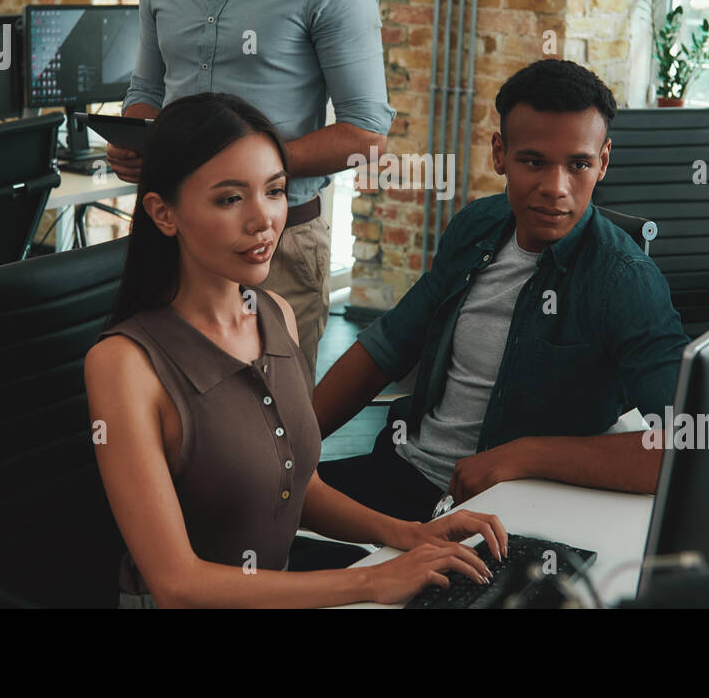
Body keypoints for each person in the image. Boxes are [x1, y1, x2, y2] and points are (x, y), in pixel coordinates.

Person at [85, 93, 505, 608]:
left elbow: (292, 484)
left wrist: (410, 534)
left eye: (275, 191)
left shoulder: (276, 313)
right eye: (229, 198)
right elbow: (178, 583)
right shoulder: (124, 365)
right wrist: (373, 580)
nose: (263, 220)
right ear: (163, 213)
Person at [107, 0, 395, 378]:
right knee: (170, 411)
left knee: (271, 440)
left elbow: (367, 133)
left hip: (278, 240)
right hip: (172, 236)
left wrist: (241, 178)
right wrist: (139, 138)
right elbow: (147, 91)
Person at [313, 60, 690, 523]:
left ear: (603, 162)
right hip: (404, 478)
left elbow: (684, 444)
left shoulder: (624, 280)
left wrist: (527, 455)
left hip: (506, 515)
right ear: (499, 154)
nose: (556, 188)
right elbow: (386, 348)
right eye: (533, 161)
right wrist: (285, 451)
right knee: (246, 520)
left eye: (579, 165)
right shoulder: (477, 225)